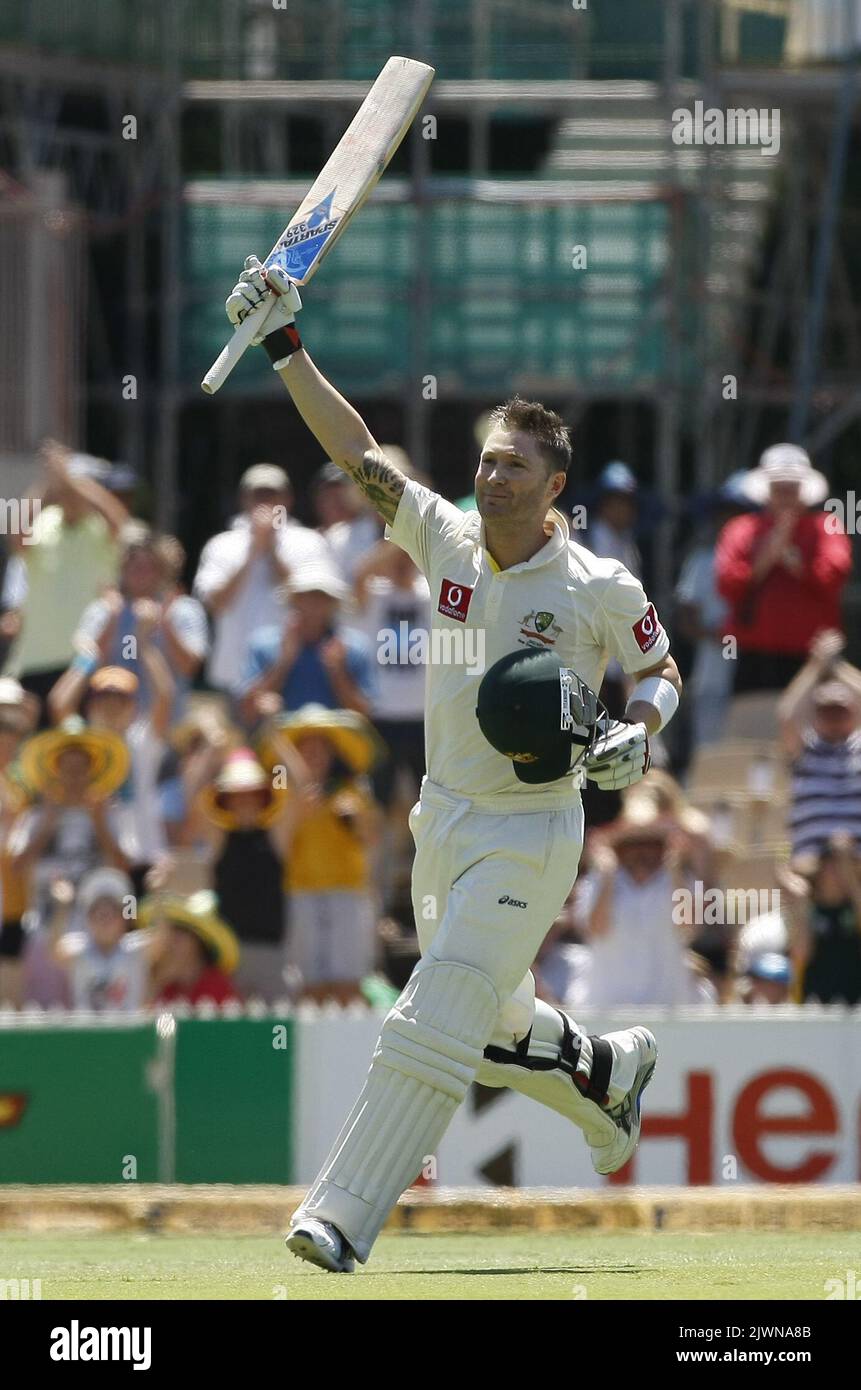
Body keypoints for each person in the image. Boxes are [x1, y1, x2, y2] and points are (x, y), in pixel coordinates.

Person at [221, 254, 682, 1272]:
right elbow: (356, 450)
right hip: (445, 820)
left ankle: (341, 1216)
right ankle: (604, 1070)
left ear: (555, 484)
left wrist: (635, 734)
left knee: (435, 1013)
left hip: (536, 826)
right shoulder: (446, 539)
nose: (490, 475)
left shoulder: (601, 583)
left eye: (514, 465)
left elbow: (662, 671)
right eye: (485, 460)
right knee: (487, 1019)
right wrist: (283, 340)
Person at [3, 441, 127, 720]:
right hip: (34, 662)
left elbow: (118, 517)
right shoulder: (44, 522)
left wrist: (69, 478)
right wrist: (49, 481)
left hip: (83, 664)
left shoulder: (101, 530)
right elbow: (15, 532)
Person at [268, 704, 382, 1004]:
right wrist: (296, 812)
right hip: (302, 894)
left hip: (348, 893)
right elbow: (277, 848)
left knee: (350, 985)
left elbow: (372, 839)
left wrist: (357, 819)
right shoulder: (283, 796)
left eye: (322, 748)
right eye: (306, 748)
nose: (315, 754)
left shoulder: (352, 791)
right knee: (309, 986)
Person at [715, 445, 852, 694]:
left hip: (812, 655)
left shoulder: (826, 527)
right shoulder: (741, 529)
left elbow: (834, 577)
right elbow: (726, 583)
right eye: (779, 488)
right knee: (752, 726)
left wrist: (795, 562)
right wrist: (767, 557)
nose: (786, 495)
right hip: (754, 654)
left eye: (792, 488)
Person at [193, 463, 330, 693]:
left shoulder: (309, 542)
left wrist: (272, 551)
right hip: (234, 674)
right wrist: (253, 552)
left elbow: (316, 604)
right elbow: (215, 605)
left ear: (287, 499)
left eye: (272, 495)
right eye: (258, 495)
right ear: (244, 499)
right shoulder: (221, 545)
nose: (266, 502)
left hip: (294, 672)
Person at [74, 522, 208, 720]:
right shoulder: (103, 609)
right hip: (113, 725)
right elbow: (84, 663)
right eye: (133, 565)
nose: (140, 573)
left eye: (149, 567)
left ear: (163, 570)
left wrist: (164, 623)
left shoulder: (183, 609)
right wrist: (113, 620)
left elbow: (190, 667)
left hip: (166, 726)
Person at [199, 746, 293, 1002]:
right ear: (226, 800)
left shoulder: (275, 838)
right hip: (228, 951)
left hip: (270, 950)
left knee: (275, 1028)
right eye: (236, 795)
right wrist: (213, 754)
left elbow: (299, 786)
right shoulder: (220, 840)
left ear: (262, 797)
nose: (244, 801)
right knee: (231, 1031)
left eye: (251, 794)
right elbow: (196, 797)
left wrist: (277, 742)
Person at [239, 566, 376, 727]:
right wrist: (284, 662)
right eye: (305, 596)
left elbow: (364, 714)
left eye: (322, 597)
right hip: (278, 744)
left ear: (334, 604)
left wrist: (338, 671)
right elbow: (247, 711)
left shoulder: (355, 648)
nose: (313, 604)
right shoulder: (263, 644)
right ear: (294, 600)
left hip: (334, 745)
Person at [778, 629, 861, 858]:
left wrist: (836, 666)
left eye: (840, 709)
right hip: (810, 865)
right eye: (826, 710)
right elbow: (787, 715)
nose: (834, 716)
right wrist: (816, 666)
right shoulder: (805, 751)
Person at [48, 866, 146, 1012]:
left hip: (129, 1032)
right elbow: (53, 949)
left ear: (123, 917)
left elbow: (163, 936)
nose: (105, 920)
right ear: (88, 918)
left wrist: (160, 892)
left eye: (111, 913)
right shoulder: (77, 950)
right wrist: (62, 907)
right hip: (87, 1032)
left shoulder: (137, 950)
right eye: (98, 914)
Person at [141, 890, 241, 1005]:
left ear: (198, 941)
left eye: (179, 932)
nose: (168, 940)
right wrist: (158, 981)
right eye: (167, 932)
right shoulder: (159, 982)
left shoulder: (218, 985)